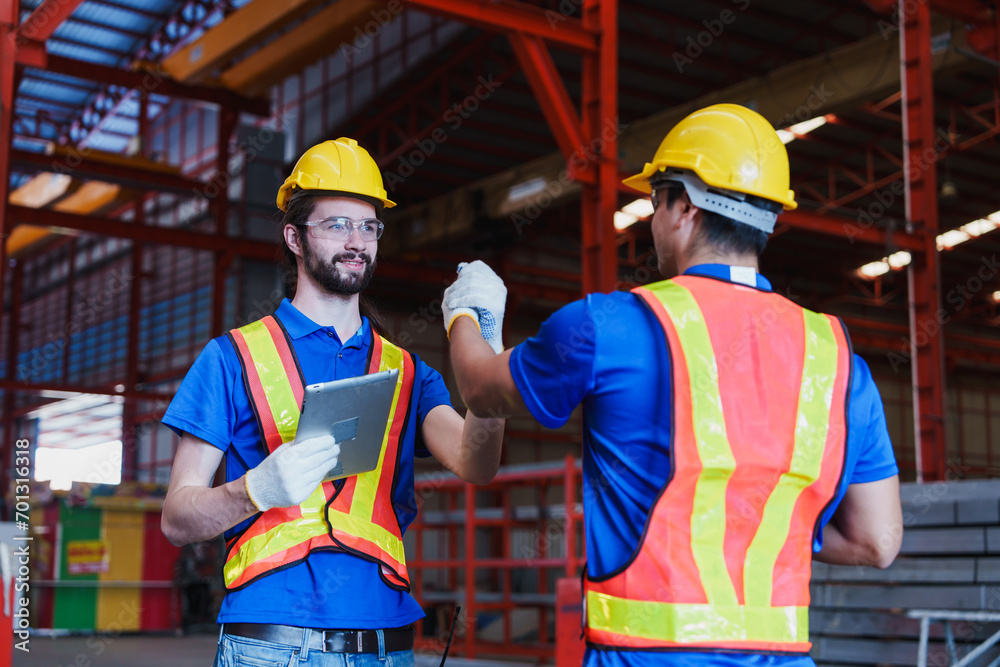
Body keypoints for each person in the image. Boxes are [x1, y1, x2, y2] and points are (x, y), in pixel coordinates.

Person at [442, 104, 903, 666]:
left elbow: (482, 389)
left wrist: (468, 314)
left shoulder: (609, 325)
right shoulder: (837, 357)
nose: (651, 218)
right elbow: (877, 540)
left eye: (654, 200)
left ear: (683, 206)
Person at [161, 137, 505, 666]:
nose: (357, 240)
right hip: (268, 645)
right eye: (337, 224)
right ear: (294, 238)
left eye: (368, 226)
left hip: (385, 647)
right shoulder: (230, 358)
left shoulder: (408, 373)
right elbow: (177, 519)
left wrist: (489, 349)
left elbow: (478, 463)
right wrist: (254, 489)